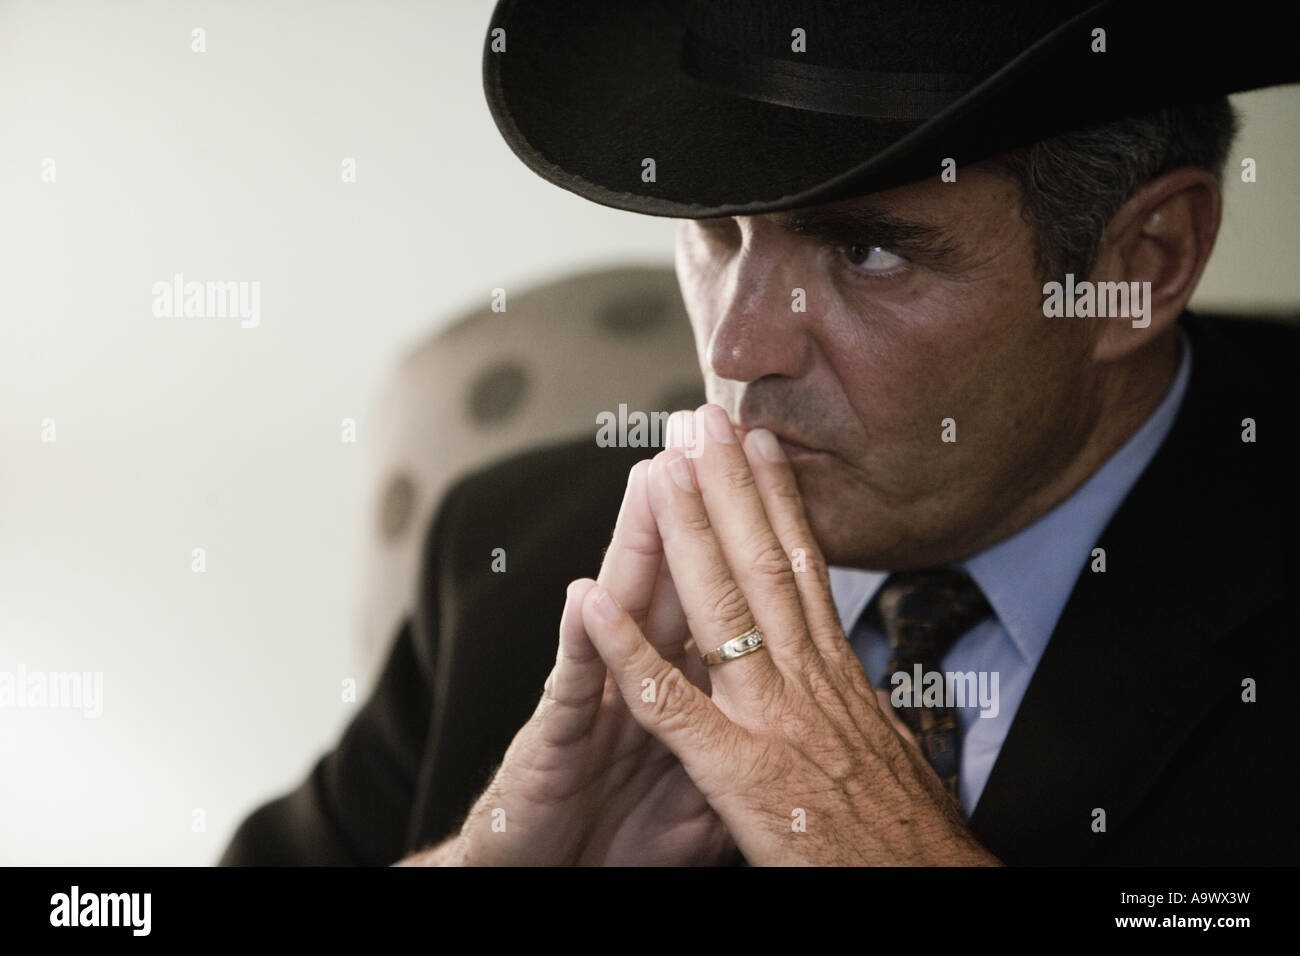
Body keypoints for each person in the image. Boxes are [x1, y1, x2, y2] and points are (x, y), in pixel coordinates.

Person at [220, 0, 1300, 865]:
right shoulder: (514, 552)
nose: (734, 350)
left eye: (868, 253)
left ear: (1138, 266)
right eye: (715, 229)